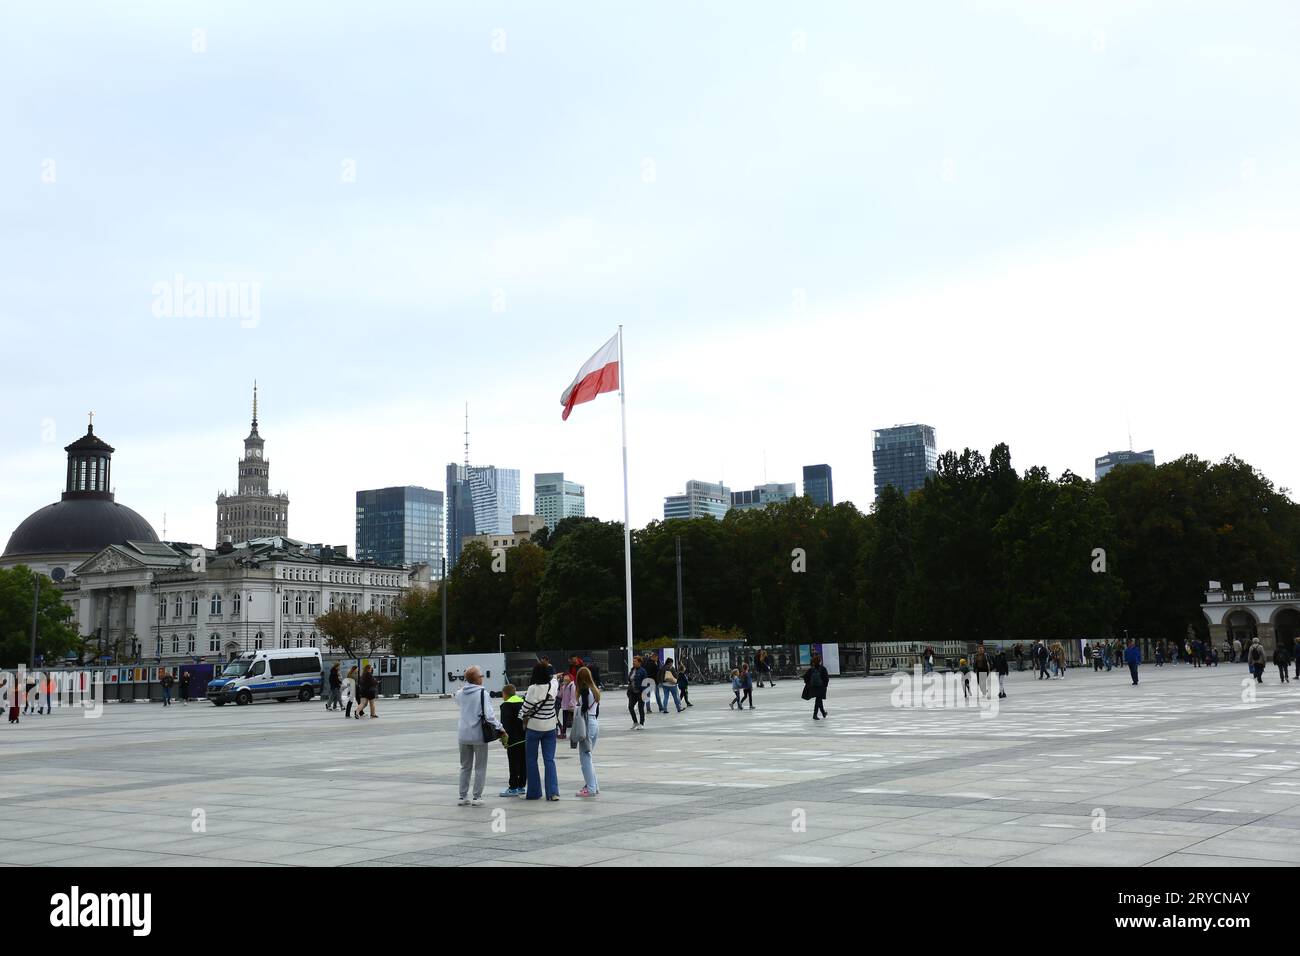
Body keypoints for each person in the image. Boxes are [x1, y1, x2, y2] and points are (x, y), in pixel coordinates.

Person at [454, 665, 503, 807]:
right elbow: (489, 716)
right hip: (478, 735)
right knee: (480, 767)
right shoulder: (483, 693)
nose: (482, 677)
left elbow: (457, 700)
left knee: (465, 766)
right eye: (481, 676)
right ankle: (477, 797)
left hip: (463, 735)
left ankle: (462, 797)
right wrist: (501, 728)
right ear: (476, 679)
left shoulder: (460, 693)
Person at [518, 663, 560, 801]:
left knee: (531, 760)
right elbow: (554, 679)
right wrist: (554, 675)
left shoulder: (532, 689)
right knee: (549, 760)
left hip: (534, 728)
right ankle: (553, 792)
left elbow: (525, 709)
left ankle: (534, 792)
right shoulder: (552, 686)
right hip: (550, 728)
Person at [572, 666, 601, 797]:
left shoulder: (584, 690)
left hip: (587, 723)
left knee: (585, 758)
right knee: (588, 757)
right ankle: (594, 785)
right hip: (594, 722)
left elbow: (583, 708)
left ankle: (590, 788)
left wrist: (576, 708)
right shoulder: (594, 690)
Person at [498, 684, 527, 797]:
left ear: (504, 694)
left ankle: (513, 787)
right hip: (524, 738)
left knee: (513, 764)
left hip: (513, 740)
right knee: (523, 763)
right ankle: (521, 786)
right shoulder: (522, 702)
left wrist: (504, 740)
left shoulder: (506, 706)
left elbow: (504, 725)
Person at [803, 652, 829, 720]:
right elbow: (826, 678)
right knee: (818, 700)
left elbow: (805, 677)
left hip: (813, 687)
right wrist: (825, 685)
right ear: (820, 661)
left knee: (819, 700)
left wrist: (808, 683)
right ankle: (815, 715)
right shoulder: (823, 668)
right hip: (820, 687)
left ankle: (823, 713)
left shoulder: (811, 669)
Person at [626, 656, 646, 729]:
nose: (633, 663)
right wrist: (629, 690)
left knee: (640, 708)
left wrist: (643, 693)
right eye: (633, 661)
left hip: (640, 692)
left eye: (635, 661)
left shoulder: (643, 671)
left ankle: (641, 723)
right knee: (630, 707)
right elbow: (630, 681)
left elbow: (645, 683)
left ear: (639, 662)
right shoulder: (632, 670)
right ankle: (635, 722)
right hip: (632, 692)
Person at [557, 673, 575, 740]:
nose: (564, 680)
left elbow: (573, 697)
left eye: (565, 679)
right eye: (564, 679)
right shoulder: (564, 686)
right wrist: (561, 688)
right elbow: (560, 695)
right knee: (565, 721)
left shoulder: (572, 685)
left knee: (573, 721)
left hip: (570, 707)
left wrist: (571, 705)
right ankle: (563, 734)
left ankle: (574, 734)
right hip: (565, 706)